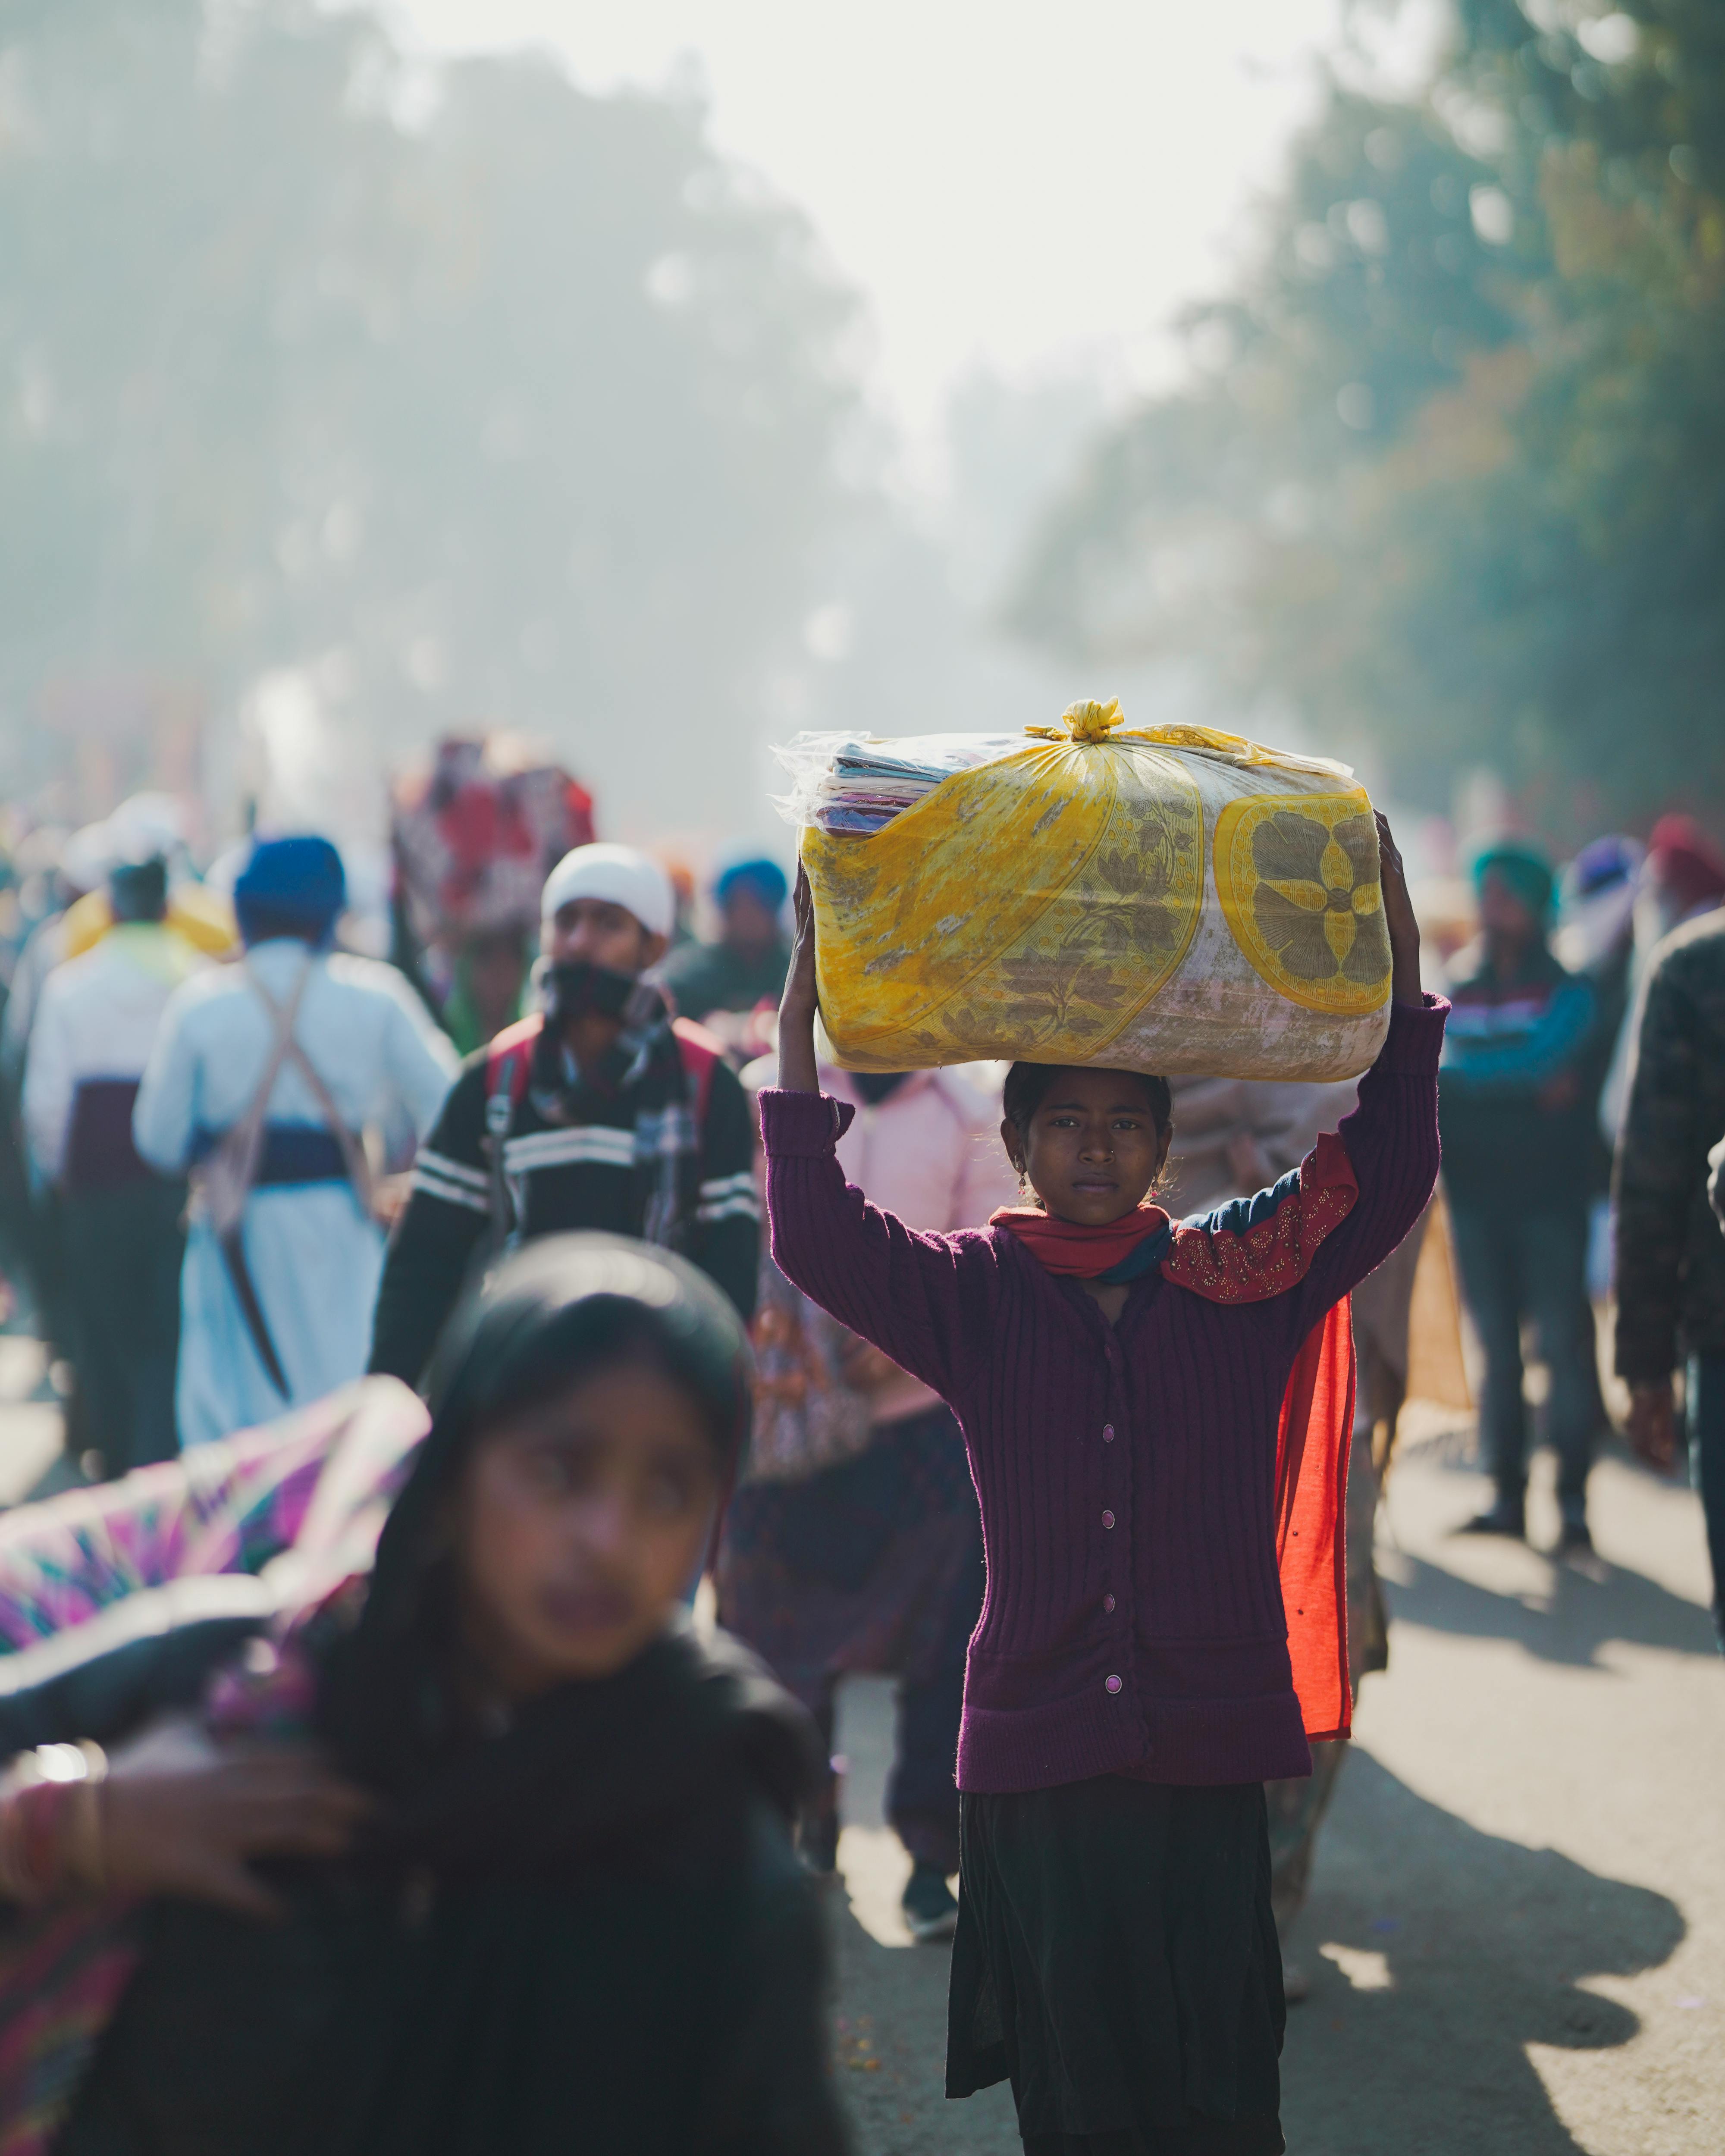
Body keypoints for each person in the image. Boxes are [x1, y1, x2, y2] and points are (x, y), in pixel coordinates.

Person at [764, 819, 1441, 2154]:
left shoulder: (1239, 1276)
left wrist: (1401, 964)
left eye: (1123, 1124)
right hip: (1041, 1763)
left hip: (1209, 1745)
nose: (1093, 1147)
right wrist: (801, 1007)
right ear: (1016, 1141)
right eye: (1063, 1122)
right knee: (1077, 2106)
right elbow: (814, 1228)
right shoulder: (973, 1291)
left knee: (1223, 2095)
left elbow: (1390, 1167)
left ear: (1159, 1146)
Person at [0, 1235, 848, 2156]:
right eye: (559, 1470)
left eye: (670, 1490)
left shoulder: (717, 1825)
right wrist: (70, 1826)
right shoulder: (245, 1692)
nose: (610, 1537)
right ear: (451, 1480)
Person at [718, 1060, 1018, 1942]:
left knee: (943, 1647)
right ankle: (800, 1825)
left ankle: (930, 1860)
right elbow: (738, 1229)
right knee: (773, 1639)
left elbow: (995, 1248)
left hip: (924, 1422)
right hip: (788, 1428)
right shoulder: (770, 1093)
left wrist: (903, 1341)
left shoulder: (974, 1109)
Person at [370, 843, 759, 1388]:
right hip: (520, 1383)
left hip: (652, 1386)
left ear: (654, 946)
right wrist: (392, 1397)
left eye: (608, 924)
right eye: (567, 921)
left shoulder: (702, 1078)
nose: (580, 942)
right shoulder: (495, 1079)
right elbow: (425, 1261)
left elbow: (731, 1267)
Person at [134, 836, 457, 1450]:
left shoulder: (202, 1004)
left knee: (235, 1426)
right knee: (339, 1411)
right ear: (331, 910)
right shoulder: (375, 997)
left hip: (235, 1230)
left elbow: (158, 1140)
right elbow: (449, 1106)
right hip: (343, 1227)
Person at [1437, 840, 1600, 1549]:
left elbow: (1551, 1064)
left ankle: (1571, 1503)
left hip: (1550, 1200)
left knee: (1562, 1346)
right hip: (1476, 1199)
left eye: (1505, 894)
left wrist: (1482, 1080)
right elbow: (1448, 1073)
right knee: (1497, 1353)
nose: (1491, 906)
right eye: (1487, 892)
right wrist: (1521, 1085)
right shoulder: (1459, 985)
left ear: (1537, 905)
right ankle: (1506, 1495)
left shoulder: (1572, 988)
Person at [21, 853, 206, 1472]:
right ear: (166, 904)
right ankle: (158, 1458)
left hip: (96, 1185)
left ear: (114, 906)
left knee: (104, 1326)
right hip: (177, 1187)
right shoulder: (199, 981)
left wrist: (58, 1179)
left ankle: (119, 1455)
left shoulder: (74, 986)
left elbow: (46, 1103)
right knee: (168, 1328)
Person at [1614, 903, 1725, 1649]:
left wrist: (1647, 1371)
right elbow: (1657, 1179)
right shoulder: (1694, 971)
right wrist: (1648, 1363)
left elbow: (1655, 1179)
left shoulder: (1695, 965)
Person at [660, 856, 792, 1023]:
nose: (750, 915)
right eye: (740, 904)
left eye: (761, 902)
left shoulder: (794, 971)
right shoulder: (689, 973)